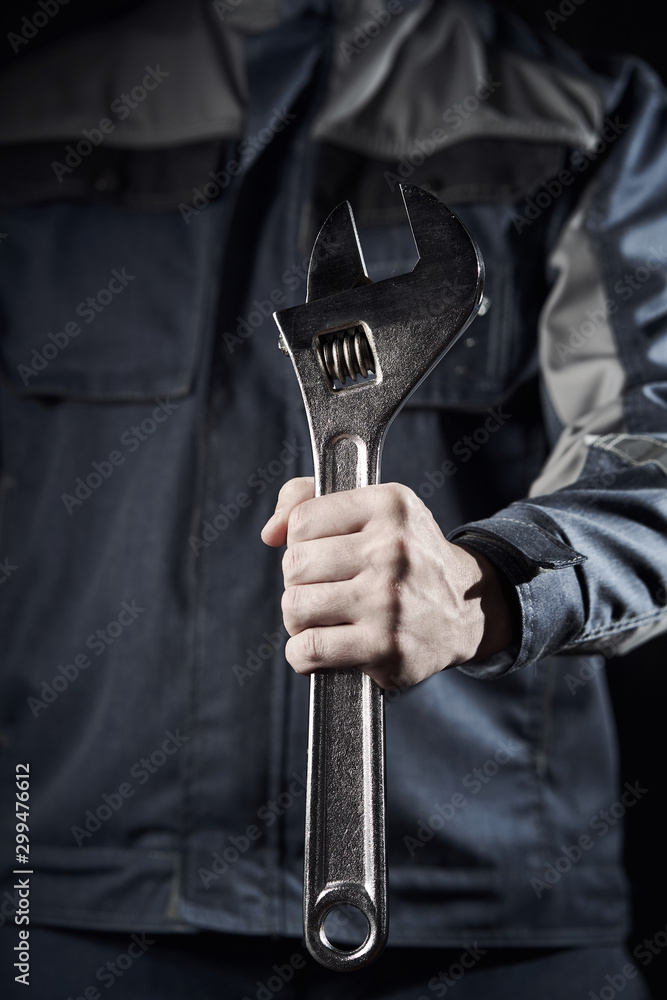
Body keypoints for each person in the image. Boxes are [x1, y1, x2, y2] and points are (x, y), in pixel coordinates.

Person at [0, 0, 665, 996]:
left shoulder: (587, 112)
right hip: (69, 895)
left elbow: (654, 447)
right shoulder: (28, 109)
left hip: (496, 919)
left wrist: (480, 585)